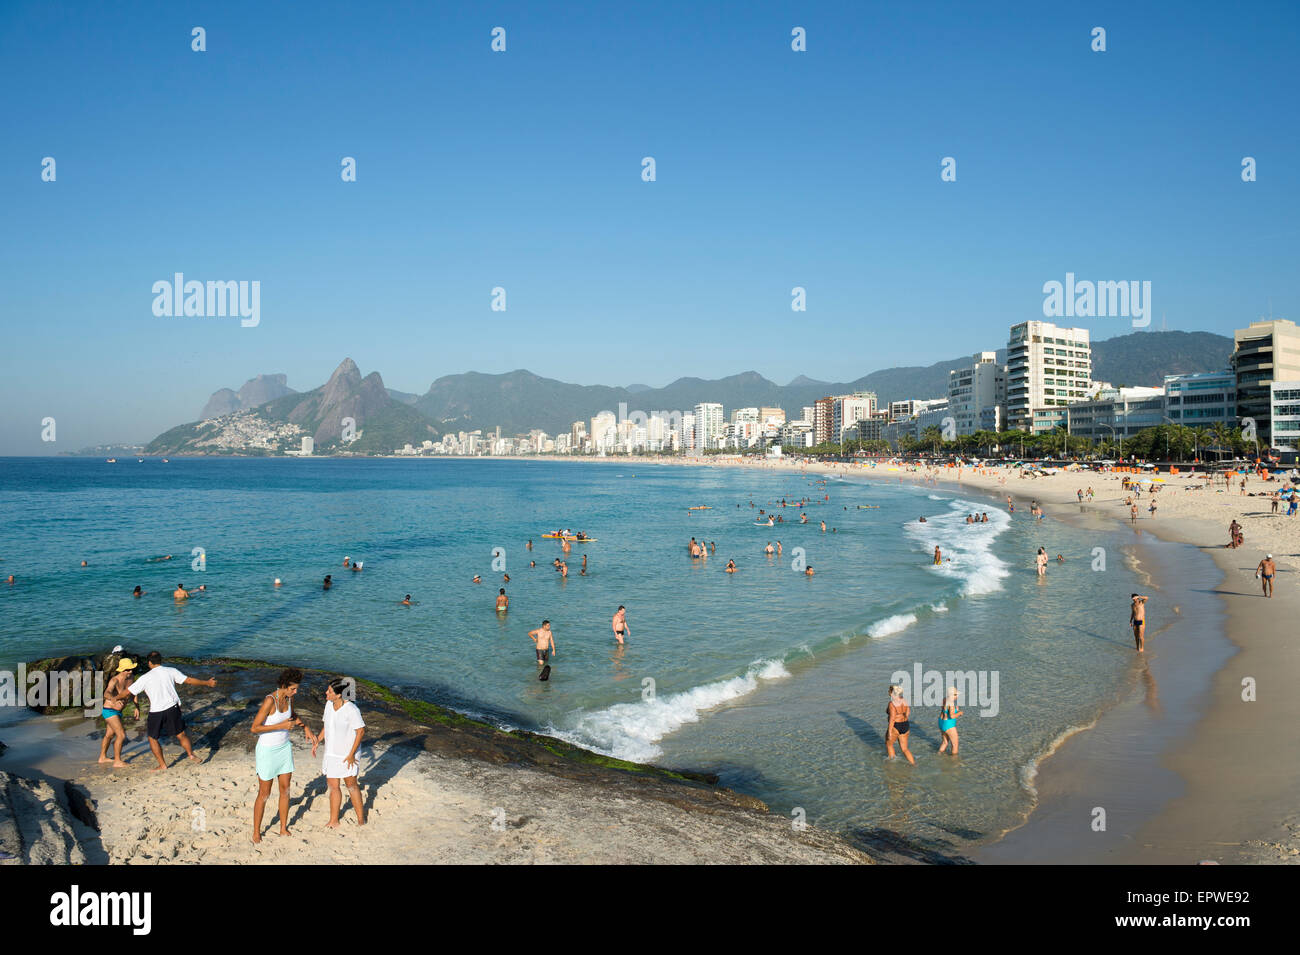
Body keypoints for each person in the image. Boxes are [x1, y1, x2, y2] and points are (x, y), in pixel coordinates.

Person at [127, 651, 217, 771]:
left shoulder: (145, 678)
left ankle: (162, 765)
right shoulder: (171, 671)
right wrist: (207, 683)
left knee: (152, 738)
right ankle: (191, 755)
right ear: (160, 661)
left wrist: (115, 698)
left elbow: (129, 692)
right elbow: (189, 680)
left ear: (149, 663)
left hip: (156, 711)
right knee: (181, 734)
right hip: (172, 708)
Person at [251, 668, 311, 843]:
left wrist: (305, 727)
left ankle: (283, 828)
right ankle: (256, 831)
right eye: (293, 689)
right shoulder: (270, 701)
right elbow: (254, 728)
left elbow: (292, 715)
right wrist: (282, 726)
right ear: (284, 686)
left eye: (297, 689)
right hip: (267, 751)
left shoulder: (289, 698)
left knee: (285, 790)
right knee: (264, 793)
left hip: (284, 748)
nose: (295, 692)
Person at [311, 678, 366, 829]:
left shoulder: (351, 710)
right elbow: (326, 726)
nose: (326, 693)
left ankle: (361, 819)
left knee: (351, 785)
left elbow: (360, 732)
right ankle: (334, 820)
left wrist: (351, 754)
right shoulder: (329, 705)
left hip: (348, 753)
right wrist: (318, 740)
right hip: (331, 752)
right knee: (333, 786)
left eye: (329, 691)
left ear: (339, 695)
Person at [97, 658, 140, 768]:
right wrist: (114, 700)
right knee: (121, 735)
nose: (130, 671)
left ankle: (102, 757)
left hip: (118, 712)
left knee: (109, 735)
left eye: (131, 669)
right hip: (109, 710)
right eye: (127, 670)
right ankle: (117, 761)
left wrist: (136, 707)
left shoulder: (131, 678)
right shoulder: (115, 680)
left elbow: (134, 693)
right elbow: (106, 693)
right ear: (122, 670)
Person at [885, 685, 915, 765]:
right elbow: (908, 711)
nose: (888, 692)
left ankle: (892, 765)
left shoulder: (892, 704)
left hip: (896, 725)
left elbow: (892, 718)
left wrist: (890, 732)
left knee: (889, 744)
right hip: (905, 724)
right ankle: (914, 764)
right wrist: (903, 718)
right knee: (905, 749)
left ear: (892, 693)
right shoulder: (904, 700)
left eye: (889, 691)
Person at [937, 688, 962, 755]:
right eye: (956, 695)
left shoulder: (945, 699)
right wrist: (959, 713)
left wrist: (955, 710)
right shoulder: (951, 703)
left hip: (941, 722)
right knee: (955, 745)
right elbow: (952, 716)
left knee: (945, 742)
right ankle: (954, 762)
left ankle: (938, 754)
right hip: (948, 725)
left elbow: (944, 709)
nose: (957, 696)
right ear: (953, 695)